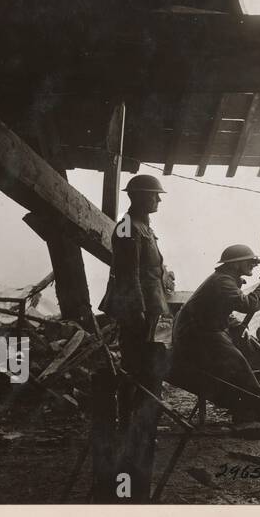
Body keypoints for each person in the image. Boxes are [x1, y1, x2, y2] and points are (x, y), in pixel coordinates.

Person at [97, 174, 174, 500]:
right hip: (139, 313)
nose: (159, 200)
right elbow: (128, 274)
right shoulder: (128, 227)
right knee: (140, 373)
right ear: (141, 197)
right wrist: (139, 312)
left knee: (150, 372)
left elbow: (150, 269)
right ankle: (136, 432)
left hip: (152, 310)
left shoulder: (143, 227)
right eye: (155, 196)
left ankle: (144, 424)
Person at [170, 243, 260, 396]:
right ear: (235, 264)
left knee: (252, 345)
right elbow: (247, 305)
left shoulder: (225, 278)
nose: (253, 264)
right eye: (248, 261)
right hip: (195, 335)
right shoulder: (222, 281)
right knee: (237, 362)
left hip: (203, 329)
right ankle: (253, 405)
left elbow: (216, 309)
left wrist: (237, 325)